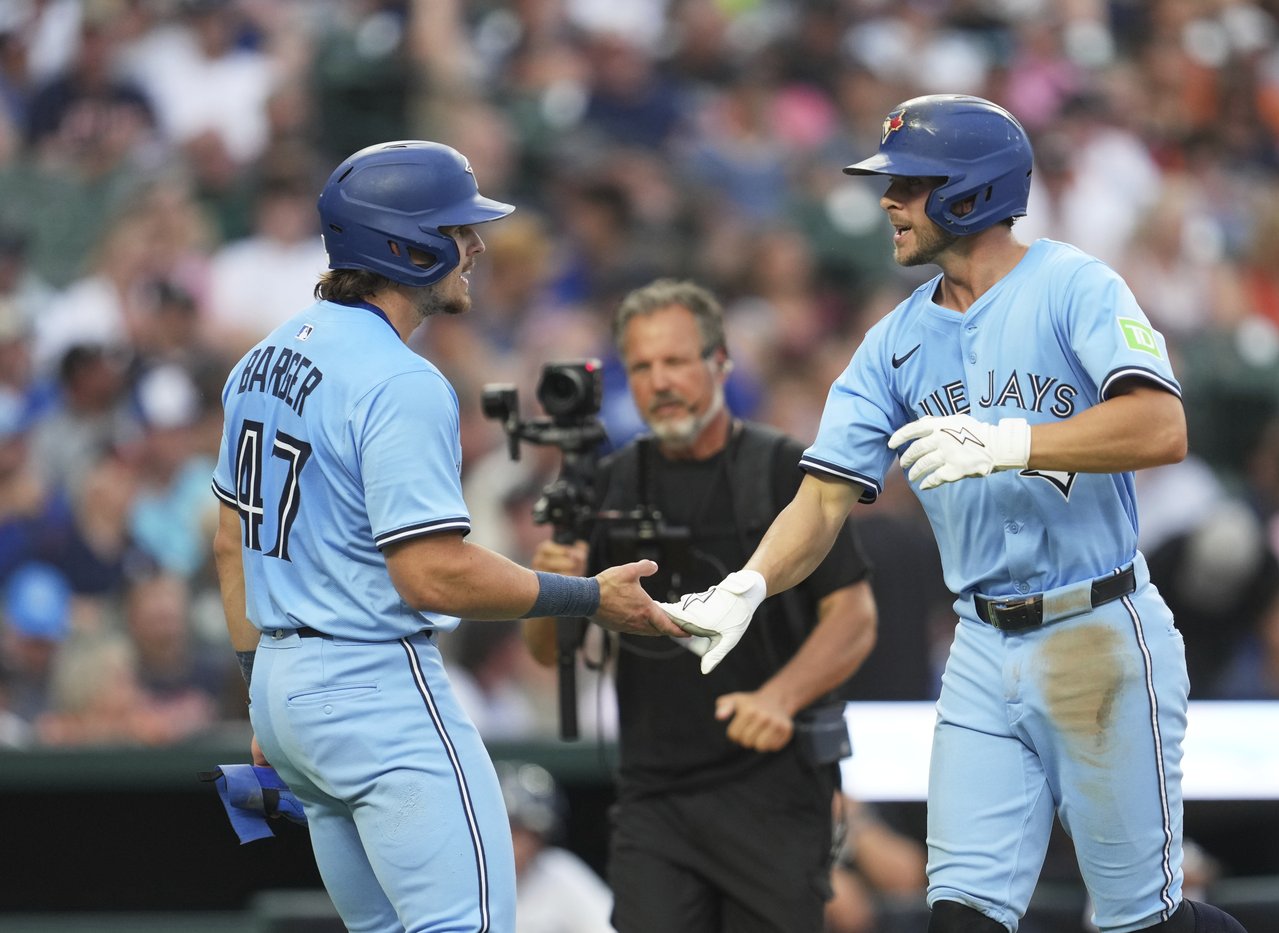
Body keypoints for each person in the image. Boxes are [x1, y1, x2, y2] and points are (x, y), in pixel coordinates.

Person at [659, 97, 1248, 933]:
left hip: (1099, 628)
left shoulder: (1073, 284)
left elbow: (1163, 426)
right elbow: (823, 496)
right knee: (961, 917)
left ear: (970, 192)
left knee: (1140, 922)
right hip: (980, 647)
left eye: (908, 184)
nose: (889, 203)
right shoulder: (892, 343)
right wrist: (749, 583)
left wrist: (1015, 441)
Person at [210, 140, 685, 933]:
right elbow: (432, 574)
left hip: (285, 689)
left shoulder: (258, 359)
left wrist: (261, 683)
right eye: (458, 228)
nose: (477, 247)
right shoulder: (400, 379)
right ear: (406, 243)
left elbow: (232, 544)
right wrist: (589, 597)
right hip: (374, 684)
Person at [527, 278, 877, 933]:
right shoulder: (606, 483)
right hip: (653, 796)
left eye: (676, 361)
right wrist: (561, 590)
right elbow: (549, 653)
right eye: (642, 366)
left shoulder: (782, 470)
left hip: (773, 792)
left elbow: (855, 616)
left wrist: (780, 696)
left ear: (720, 362)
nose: (660, 382)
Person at [495, 759, 617, 933]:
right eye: (511, 832)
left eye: (530, 836)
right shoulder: (462, 881)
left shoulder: (557, 871)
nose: (519, 847)